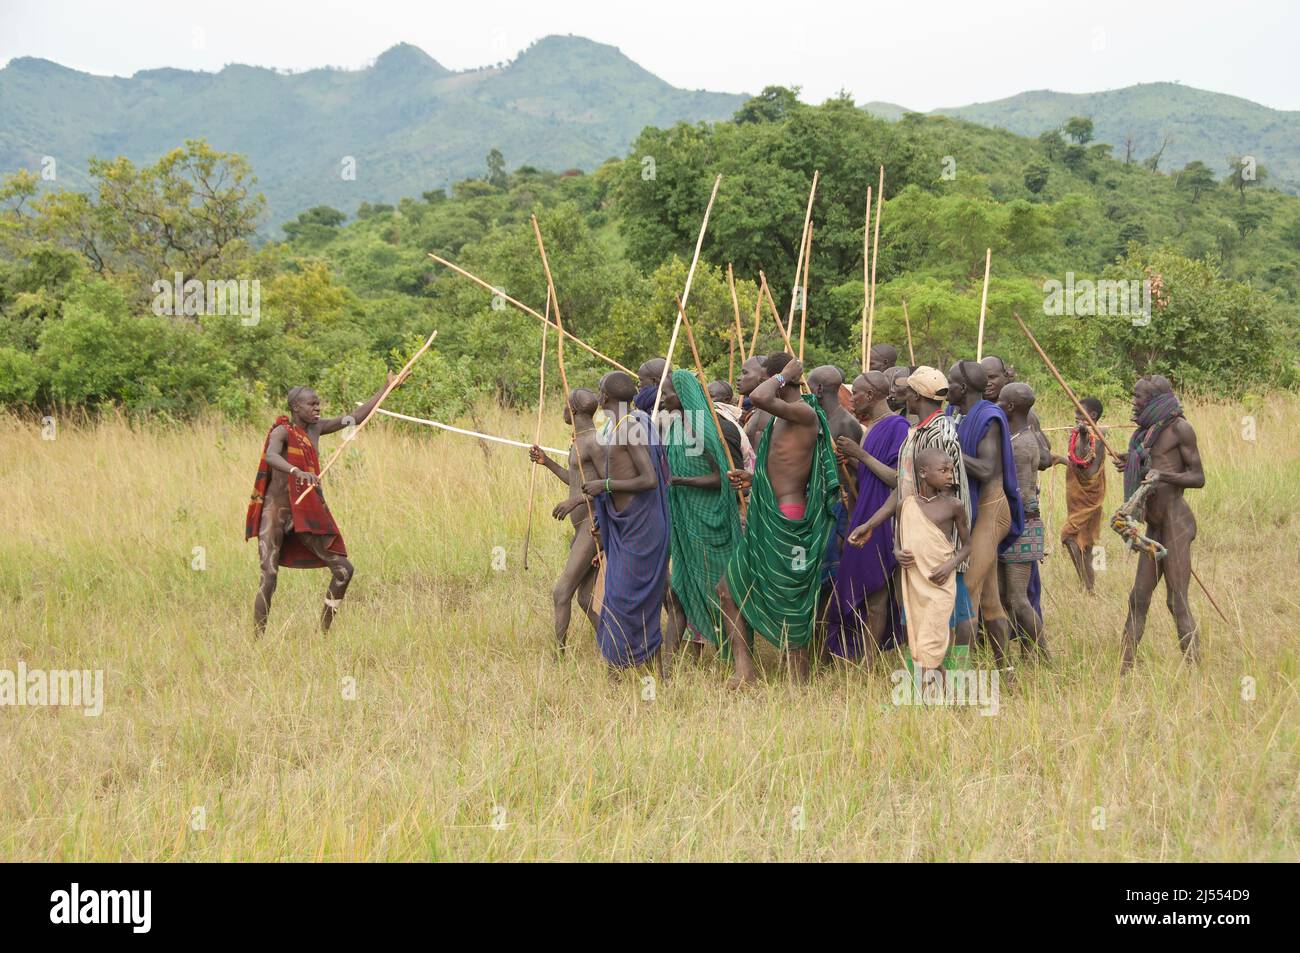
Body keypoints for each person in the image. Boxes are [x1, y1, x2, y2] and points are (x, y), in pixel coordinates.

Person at [246, 372, 407, 633]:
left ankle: (323, 632)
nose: (317, 407)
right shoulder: (282, 431)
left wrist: (386, 388)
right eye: (311, 404)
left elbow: (353, 418)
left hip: (304, 512)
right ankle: (257, 639)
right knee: (269, 576)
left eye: (318, 403)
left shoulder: (316, 429)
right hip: (275, 512)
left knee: (344, 570)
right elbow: (271, 456)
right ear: (296, 407)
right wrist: (296, 472)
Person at [717, 354, 840, 687]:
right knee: (728, 589)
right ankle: (745, 672)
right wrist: (753, 479)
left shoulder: (803, 413)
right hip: (765, 515)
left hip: (788, 519)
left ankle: (798, 681)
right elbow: (783, 467)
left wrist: (784, 374)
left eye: (765, 378)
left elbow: (758, 396)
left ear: (777, 378)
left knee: (791, 599)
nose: (756, 383)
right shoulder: (776, 417)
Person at [847, 366, 975, 668]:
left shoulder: (939, 435)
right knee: (917, 611)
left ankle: (955, 676)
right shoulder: (917, 431)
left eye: (906, 391)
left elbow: (946, 495)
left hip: (941, 542)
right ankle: (927, 677)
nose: (899, 394)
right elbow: (906, 488)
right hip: (916, 540)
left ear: (916, 397)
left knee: (949, 612)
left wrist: (943, 550)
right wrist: (872, 524)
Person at [582, 371, 672, 673]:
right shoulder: (624, 424)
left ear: (604, 397)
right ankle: (643, 674)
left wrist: (604, 486)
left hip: (642, 528)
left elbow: (647, 479)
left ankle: (625, 674)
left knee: (625, 600)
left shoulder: (630, 427)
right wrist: (603, 513)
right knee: (631, 600)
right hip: (630, 525)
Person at [1115, 376, 1204, 670]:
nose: (1134, 402)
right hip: (1154, 528)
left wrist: (1162, 476)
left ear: (1154, 401)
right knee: (1138, 598)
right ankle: (1124, 669)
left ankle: (1195, 670)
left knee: (1176, 601)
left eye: (1138, 397)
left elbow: (1198, 478)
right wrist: (1130, 460)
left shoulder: (1180, 428)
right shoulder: (1147, 433)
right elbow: (1151, 461)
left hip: (1176, 523)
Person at [945, 360, 1025, 666]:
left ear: (962, 389)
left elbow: (986, 468)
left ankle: (957, 677)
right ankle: (1007, 671)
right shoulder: (955, 414)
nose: (945, 388)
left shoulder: (990, 418)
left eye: (950, 383)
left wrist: (950, 450)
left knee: (964, 595)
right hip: (971, 509)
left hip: (991, 510)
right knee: (991, 602)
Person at [660, 371, 743, 661]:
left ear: (682, 395)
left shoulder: (704, 429)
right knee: (682, 589)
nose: (663, 399)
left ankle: (736, 659)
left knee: (722, 591)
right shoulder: (676, 426)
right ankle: (670, 665)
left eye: (668, 392)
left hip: (711, 522)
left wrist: (683, 482)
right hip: (685, 521)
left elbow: (723, 477)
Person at [829, 371, 910, 660]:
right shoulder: (872, 427)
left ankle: (869, 662)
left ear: (873, 396)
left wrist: (861, 456)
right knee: (864, 591)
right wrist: (850, 459)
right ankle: (862, 656)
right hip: (864, 513)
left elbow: (897, 479)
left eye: (857, 394)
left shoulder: (898, 426)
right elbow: (870, 475)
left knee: (878, 594)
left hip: (883, 521)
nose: (852, 400)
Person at [530, 388, 603, 651]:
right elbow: (576, 482)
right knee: (585, 598)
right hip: (580, 526)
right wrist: (547, 462)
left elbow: (608, 485)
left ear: (574, 409)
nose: (562, 410)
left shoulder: (595, 441)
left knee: (562, 592)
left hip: (592, 525)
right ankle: (614, 646)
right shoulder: (579, 441)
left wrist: (576, 502)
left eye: (565, 405)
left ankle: (559, 656)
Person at [897, 448, 972, 689]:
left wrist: (950, 565)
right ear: (923, 473)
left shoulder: (954, 506)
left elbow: (968, 547)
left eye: (951, 470)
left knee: (931, 642)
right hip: (915, 584)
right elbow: (896, 543)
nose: (950, 475)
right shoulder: (905, 505)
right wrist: (897, 554)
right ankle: (944, 695)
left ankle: (928, 697)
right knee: (920, 643)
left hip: (941, 585)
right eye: (943, 470)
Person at [996, 382, 1050, 659]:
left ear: (1010, 407)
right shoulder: (1019, 436)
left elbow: (1015, 492)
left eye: (1001, 400)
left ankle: (1044, 655)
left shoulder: (1022, 445)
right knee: (1006, 599)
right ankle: (1025, 655)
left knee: (1018, 600)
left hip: (1021, 525)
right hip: (1016, 524)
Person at [809, 365, 862, 593]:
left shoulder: (846, 423)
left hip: (839, 503)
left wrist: (849, 519)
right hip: (817, 501)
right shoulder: (815, 419)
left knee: (832, 574)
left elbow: (856, 475)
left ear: (819, 390)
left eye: (809, 388)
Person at [1060, 396, 1107, 594]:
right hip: (1077, 499)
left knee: (1069, 536)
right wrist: (1061, 459)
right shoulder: (1080, 434)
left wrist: (1086, 439)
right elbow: (1076, 461)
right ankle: (1090, 587)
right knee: (1085, 541)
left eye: (1080, 414)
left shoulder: (1095, 438)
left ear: (1092, 416)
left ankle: (1087, 585)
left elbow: (1087, 472)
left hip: (1090, 499)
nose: (1076, 417)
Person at [708, 379, 755, 472]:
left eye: (710, 396)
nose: (706, 398)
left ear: (726, 399)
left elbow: (735, 469)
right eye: (704, 394)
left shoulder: (723, 420)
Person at [736, 355, 773, 450]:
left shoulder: (767, 412)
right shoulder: (758, 409)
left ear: (762, 376)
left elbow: (759, 460)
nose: (739, 378)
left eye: (745, 373)